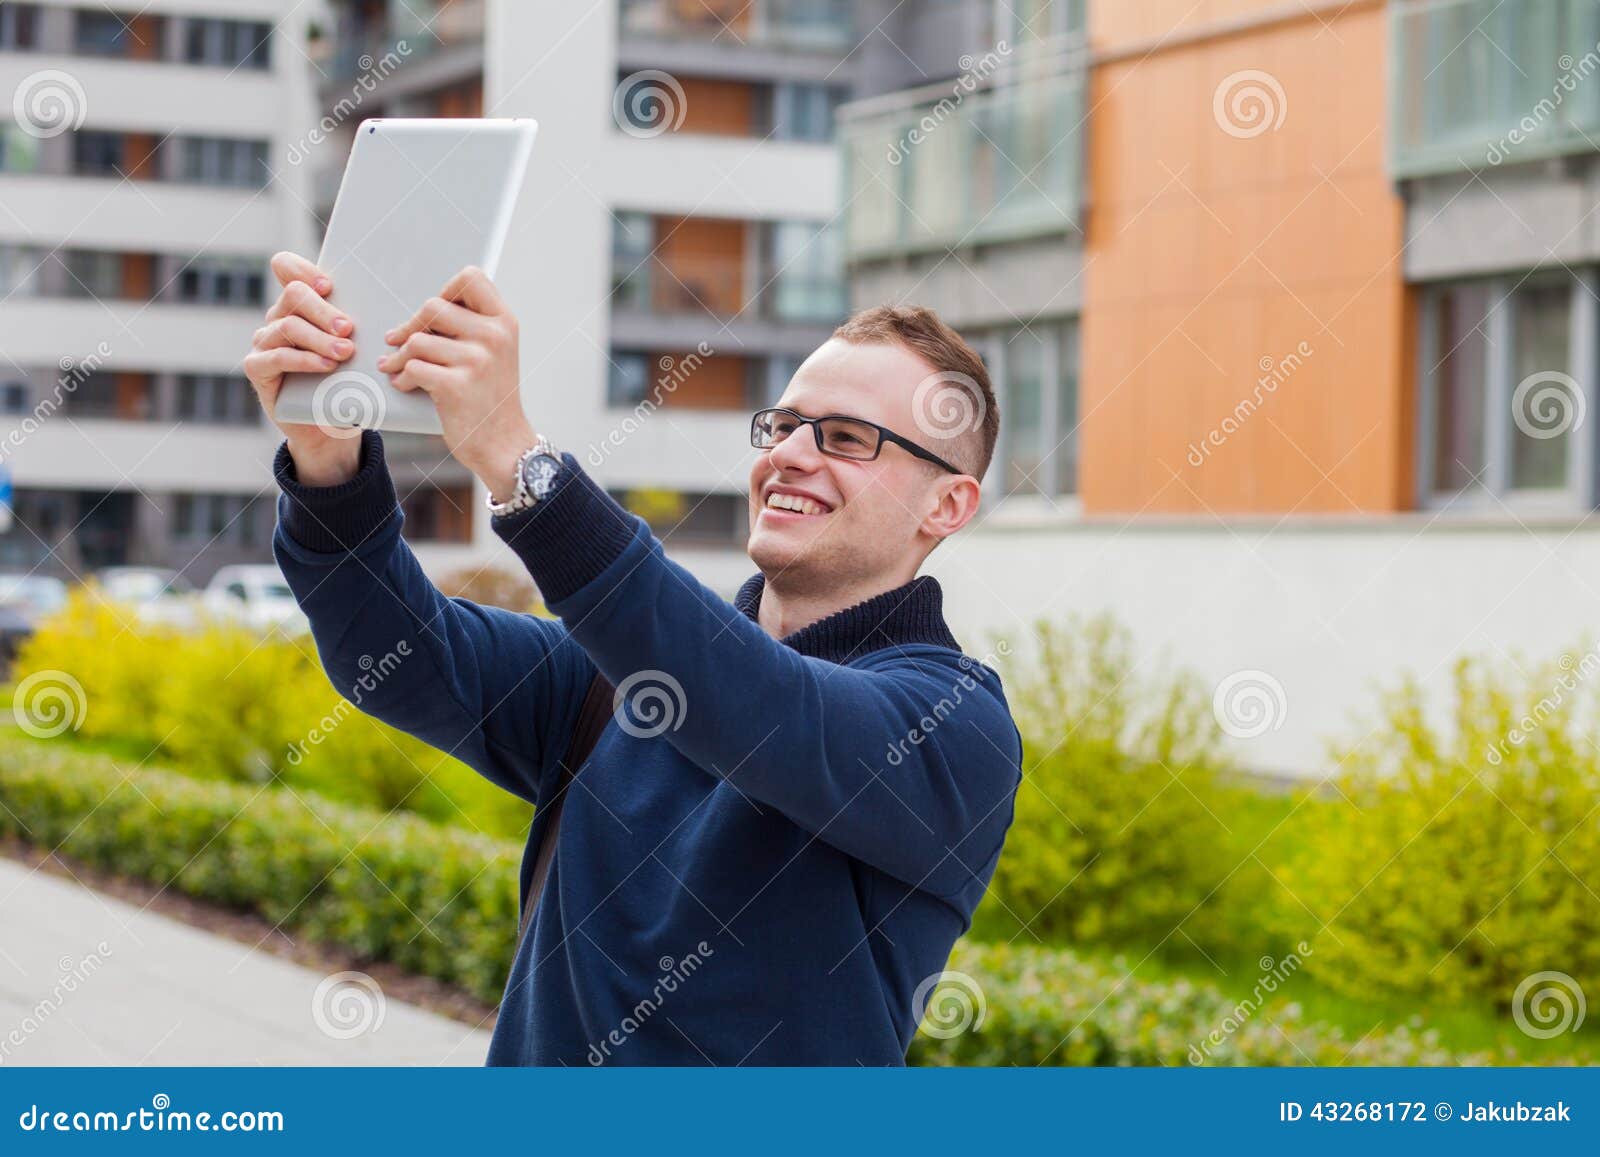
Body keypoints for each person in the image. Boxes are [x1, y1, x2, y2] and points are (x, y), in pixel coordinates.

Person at [245, 251, 1023, 1065]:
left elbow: (760, 706)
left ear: (947, 504)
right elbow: (395, 653)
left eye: (849, 438)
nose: (790, 453)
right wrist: (326, 459)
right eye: (784, 424)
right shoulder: (610, 678)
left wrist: (518, 459)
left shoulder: (953, 726)